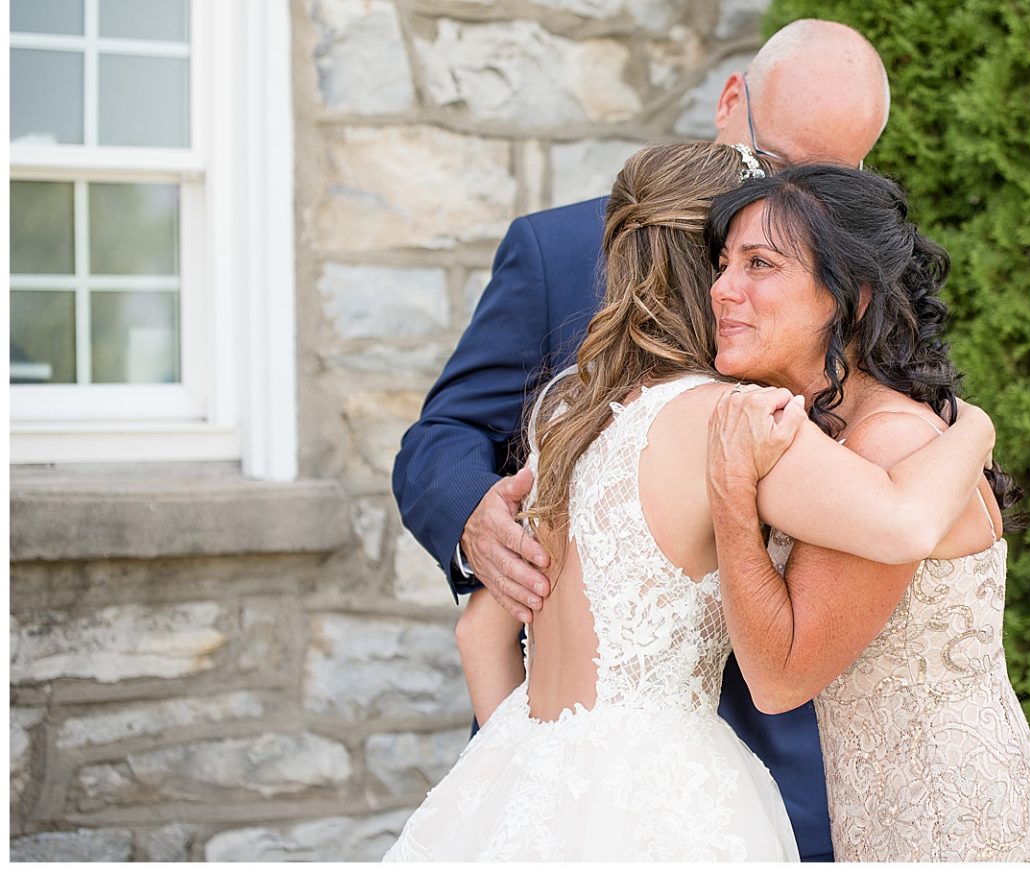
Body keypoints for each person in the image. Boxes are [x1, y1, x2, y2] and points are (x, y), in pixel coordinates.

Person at [383, 142, 998, 861]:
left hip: (525, 775)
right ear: (707, 265)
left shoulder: (566, 413)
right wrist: (976, 427)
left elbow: (479, 633)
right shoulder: (728, 420)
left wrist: (533, 790)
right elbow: (904, 521)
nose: (738, 283)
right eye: (736, 257)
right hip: (660, 798)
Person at [703, 164, 1030, 861]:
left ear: (852, 293)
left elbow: (779, 679)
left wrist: (728, 493)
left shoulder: (885, 443)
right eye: (724, 265)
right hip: (899, 807)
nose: (722, 288)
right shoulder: (848, 431)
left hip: (943, 820)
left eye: (760, 264)